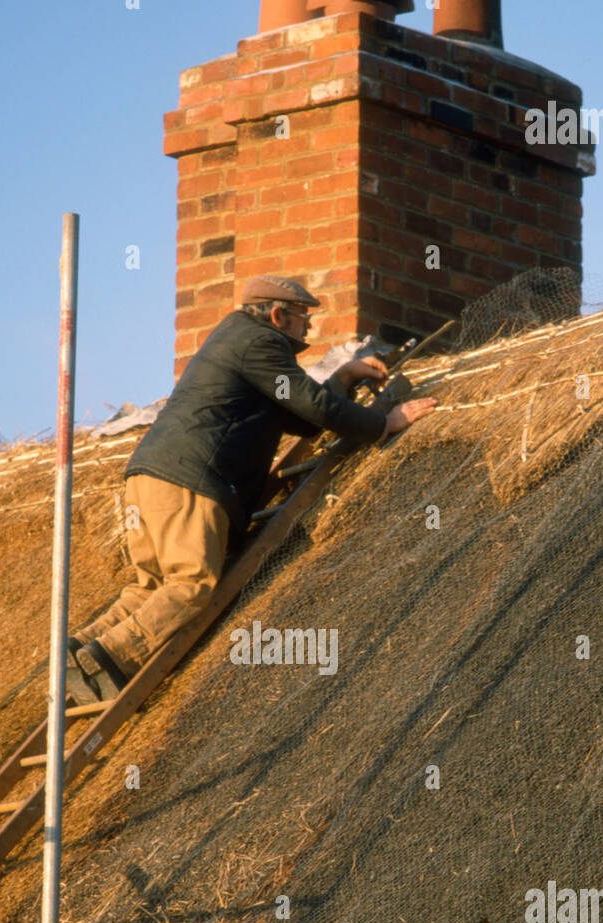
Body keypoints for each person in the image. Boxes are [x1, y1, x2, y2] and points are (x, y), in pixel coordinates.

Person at [67, 273, 436, 702]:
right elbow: (312, 406)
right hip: (191, 480)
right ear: (278, 315)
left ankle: (75, 655)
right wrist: (383, 423)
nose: (308, 331)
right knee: (191, 584)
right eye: (303, 320)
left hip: (148, 479)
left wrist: (345, 375)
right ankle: (110, 661)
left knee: (152, 586)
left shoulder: (238, 342)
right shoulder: (261, 343)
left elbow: (299, 414)